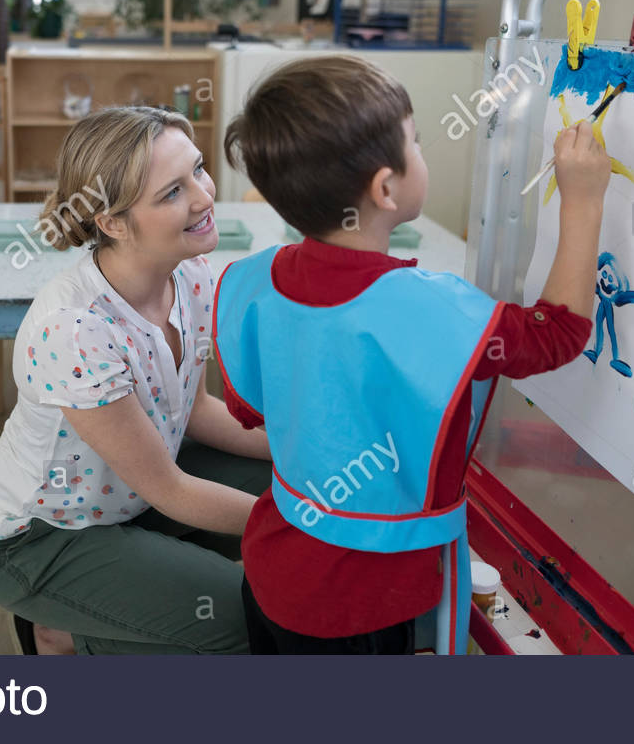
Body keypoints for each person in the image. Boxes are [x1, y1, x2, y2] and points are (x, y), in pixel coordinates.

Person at [215, 56, 608, 654]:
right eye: (417, 144)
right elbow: (557, 334)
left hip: (274, 570)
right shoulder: (430, 307)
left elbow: (251, 411)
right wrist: (582, 200)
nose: (424, 155)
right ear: (385, 187)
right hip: (362, 601)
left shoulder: (251, 280)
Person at [0, 106, 271, 655]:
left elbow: (196, 411)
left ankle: (116, 604)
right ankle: (61, 633)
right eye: (172, 193)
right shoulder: (75, 330)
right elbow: (169, 489)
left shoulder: (191, 274)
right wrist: (307, 529)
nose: (204, 197)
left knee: (296, 479)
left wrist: (304, 451)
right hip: (40, 538)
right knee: (247, 622)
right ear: (111, 222)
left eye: (198, 170)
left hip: (132, 497)